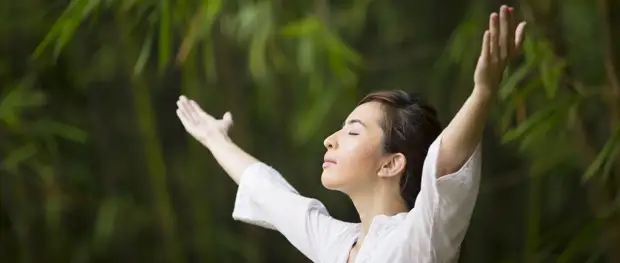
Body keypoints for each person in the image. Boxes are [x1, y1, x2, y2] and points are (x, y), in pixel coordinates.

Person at [175, 5, 526, 263]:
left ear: (391, 163)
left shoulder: (419, 238)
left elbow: (445, 167)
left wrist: (483, 93)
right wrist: (214, 138)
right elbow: (269, 192)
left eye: (353, 131)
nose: (331, 139)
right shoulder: (337, 245)